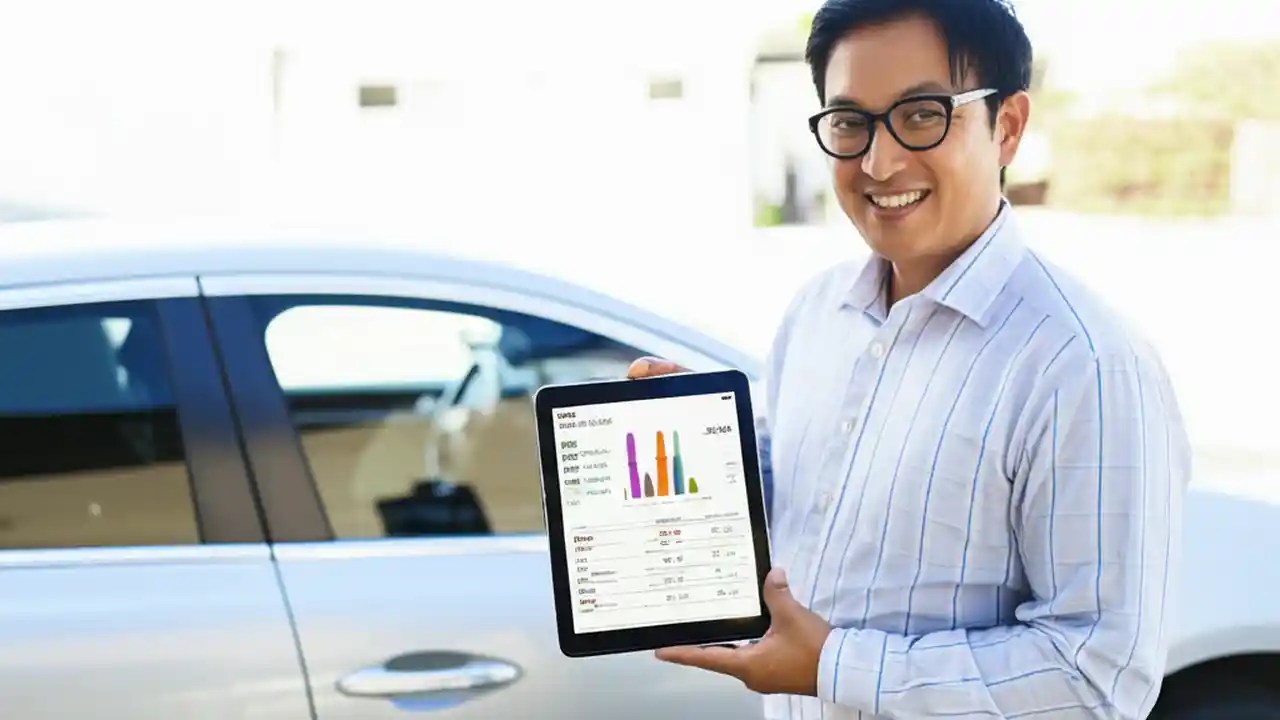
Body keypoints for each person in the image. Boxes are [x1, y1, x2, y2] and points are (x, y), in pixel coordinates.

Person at [626, 0, 1192, 717]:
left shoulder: (1084, 364)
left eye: (922, 114)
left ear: (1007, 126)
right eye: (850, 122)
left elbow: (1098, 678)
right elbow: (813, 510)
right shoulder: (818, 312)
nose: (879, 161)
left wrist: (833, 665)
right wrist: (710, 452)